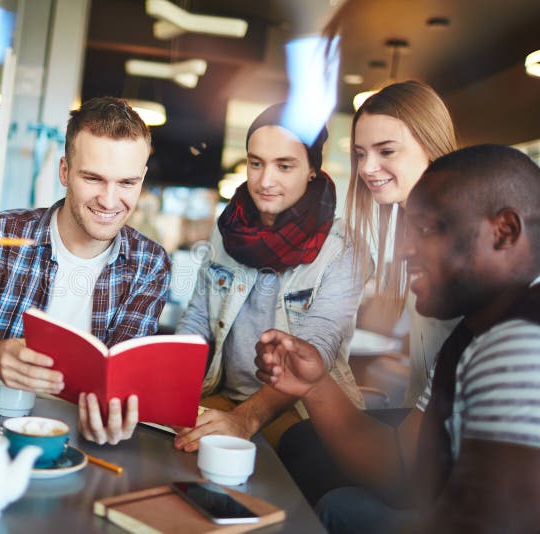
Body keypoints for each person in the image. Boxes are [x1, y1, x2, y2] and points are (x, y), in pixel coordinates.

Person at [256, 145, 540, 533]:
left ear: (503, 232)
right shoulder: (469, 337)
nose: (405, 251)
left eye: (426, 230)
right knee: (340, 506)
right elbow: (400, 467)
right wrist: (315, 384)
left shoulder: (518, 342)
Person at [0, 96, 171, 446]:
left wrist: (117, 416)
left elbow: (122, 383)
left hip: (79, 445)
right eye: (93, 179)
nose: (109, 201)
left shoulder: (150, 264)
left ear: (142, 180)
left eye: (126, 183)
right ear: (64, 171)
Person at [173, 103, 366, 452]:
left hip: (300, 413)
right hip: (221, 395)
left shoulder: (343, 248)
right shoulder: (227, 229)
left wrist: (246, 419)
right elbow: (197, 321)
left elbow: (315, 352)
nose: (265, 181)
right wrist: (167, 386)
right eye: (256, 162)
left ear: (311, 169)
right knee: (168, 449)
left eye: (284, 166)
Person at [347, 80, 460, 406]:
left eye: (386, 151)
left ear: (432, 146)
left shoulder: (460, 240)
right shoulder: (413, 229)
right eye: (360, 154)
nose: (367, 168)